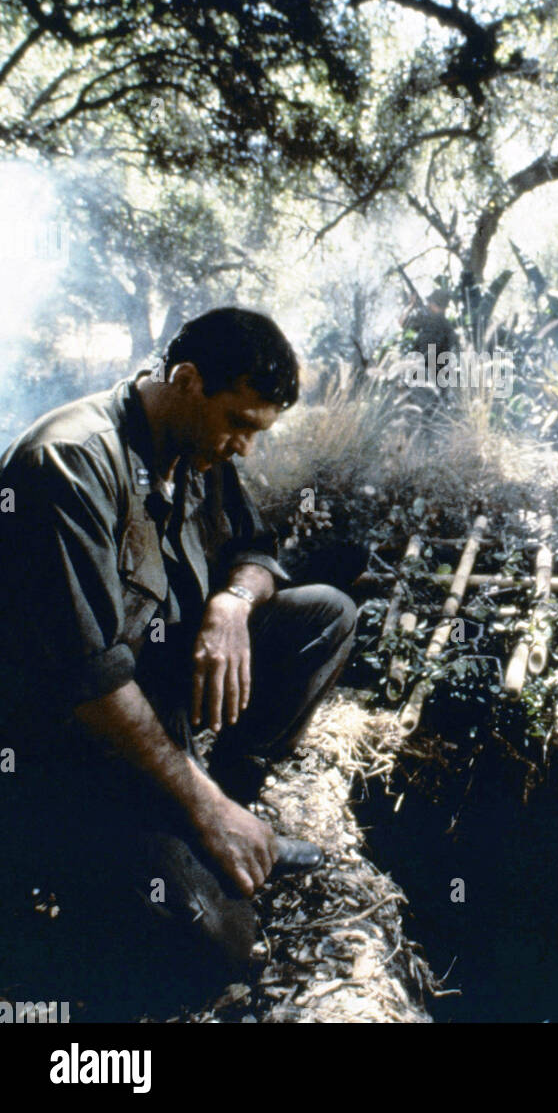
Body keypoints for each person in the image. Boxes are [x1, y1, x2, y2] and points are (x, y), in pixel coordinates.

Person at [0, 307, 356, 1007]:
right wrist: (201, 808)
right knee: (216, 943)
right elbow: (90, 682)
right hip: (65, 748)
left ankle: (226, 800)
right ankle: (86, 878)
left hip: (152, 705)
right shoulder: (69, 463)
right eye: (240, 424)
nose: (246, 448)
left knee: (326, 616)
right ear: (187, 380)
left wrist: (232, 606)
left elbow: (256, 551)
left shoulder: (193, 445)